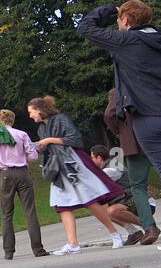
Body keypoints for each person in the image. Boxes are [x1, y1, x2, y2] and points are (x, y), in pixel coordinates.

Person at [78, 0, 161, 251]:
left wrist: (110, 10)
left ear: (126, 20)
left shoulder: (126, 41)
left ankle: (149, 226)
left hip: (149, 118)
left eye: (120, 19)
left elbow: (85, 27)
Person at [29, 96, 124, 255]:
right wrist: (37, 147)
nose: (30, 116)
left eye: (31, 112)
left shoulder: (61, 119)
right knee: (63, 206)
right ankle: (73, 243)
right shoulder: (41, 129)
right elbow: (47, 147)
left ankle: (115, 234)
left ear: (40, 110)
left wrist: (48, 140)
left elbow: (75, 139)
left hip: (73, 164)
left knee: (91, 201)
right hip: (58, 169)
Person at [0, 110, 48, 259]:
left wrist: (1, 160)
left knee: (7, 214)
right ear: (12, 120)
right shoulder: (22, 134)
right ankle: (38, 249)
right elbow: (33, 156)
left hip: (5, 174)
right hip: (22, 173)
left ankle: (9, 251)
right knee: (30, 211)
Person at [103, 89, 161, 245]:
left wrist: (120, 131)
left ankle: (150, 228)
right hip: (159, 138)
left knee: (138, 187)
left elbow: (109, 115)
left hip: (134, 145)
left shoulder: (121, 92)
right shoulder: (148, 88)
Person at [90, 145, 151, 245]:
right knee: (103, 210)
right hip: (130, 201)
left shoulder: (110, 170)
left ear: (99, 158)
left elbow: (93, 184)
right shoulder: (110, 167)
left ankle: (149, 226)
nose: (90, 160)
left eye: (92, 157)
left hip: (142, 203)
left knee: (111, 211)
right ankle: (134, 232)